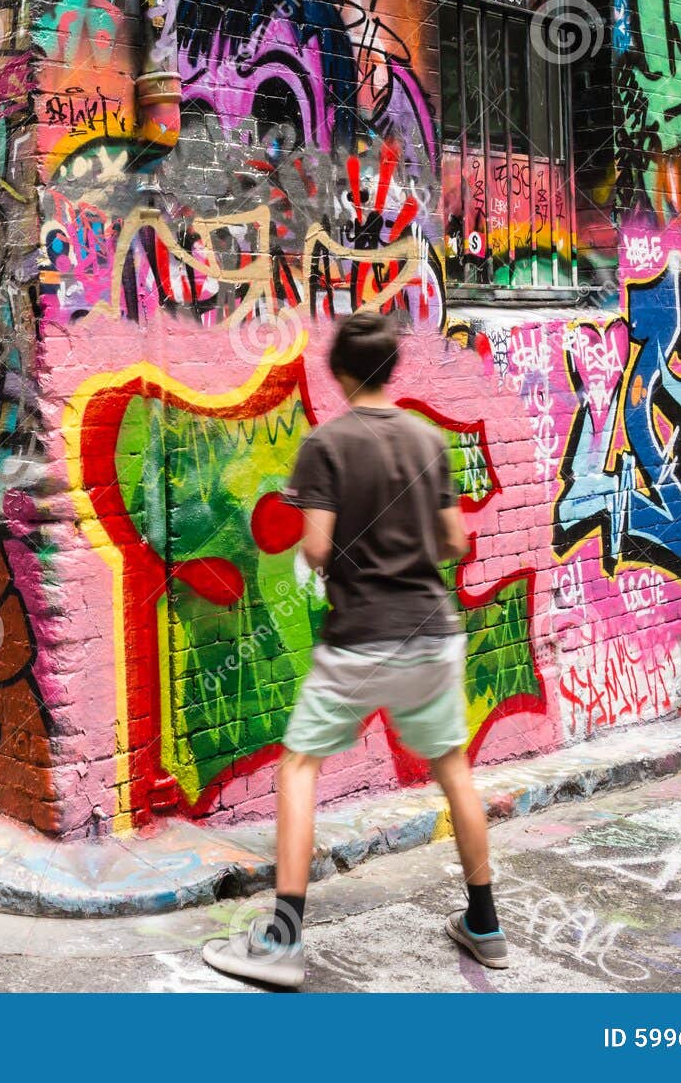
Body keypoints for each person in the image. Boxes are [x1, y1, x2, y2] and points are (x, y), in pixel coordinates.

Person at [201, 312, 508, 989]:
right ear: (391, 370)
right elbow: (456, 540)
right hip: (430, 630)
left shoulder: (326, 443)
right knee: (454, 769)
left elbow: (314, 547)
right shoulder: (428, 440)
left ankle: (282, 936)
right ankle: (485, 922)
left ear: (339, 373)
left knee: (301, 766)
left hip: (359, 636)